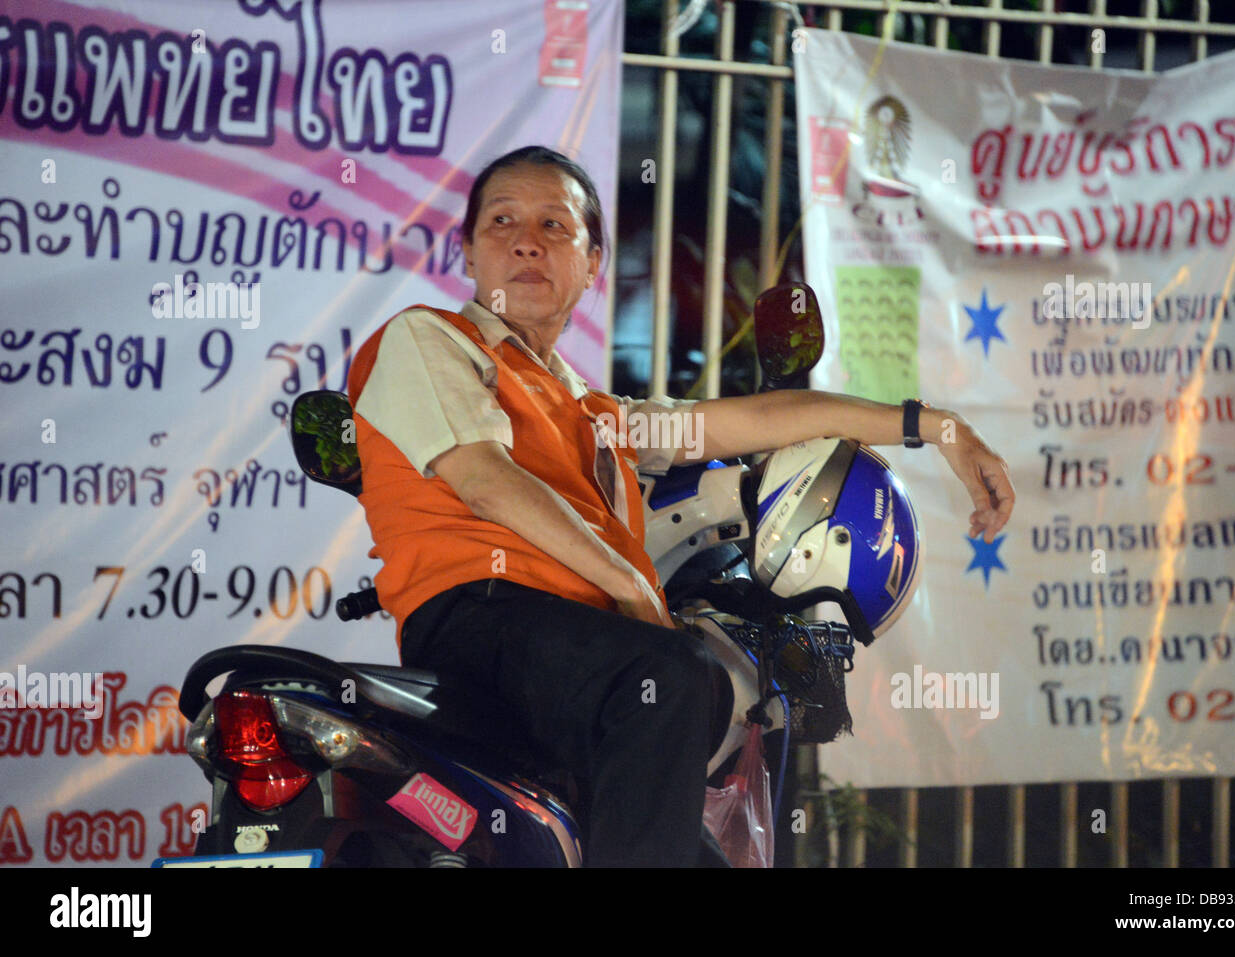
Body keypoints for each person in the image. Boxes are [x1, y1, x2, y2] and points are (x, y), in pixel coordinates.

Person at [346, 145, 1015, 866]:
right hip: (484, 624)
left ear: (595, 261)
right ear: (468, 254)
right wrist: (628, 582)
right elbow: (484, 478)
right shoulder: (430, 339)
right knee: (674, 675)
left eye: (555, 225)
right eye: (501, 221)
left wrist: (934, 426)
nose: (526, 240)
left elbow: (750, 420)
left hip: (578, 656)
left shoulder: (597, 413)